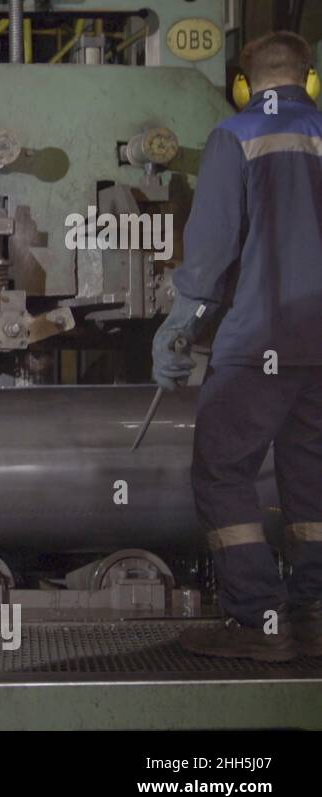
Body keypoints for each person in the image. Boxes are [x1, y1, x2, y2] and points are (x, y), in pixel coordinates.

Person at [151, 31, 322, 661]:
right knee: (313, 479)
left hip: (262, 341)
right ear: (311, 82)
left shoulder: (236, 136)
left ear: (244, 87)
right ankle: (315, 615)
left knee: (223, 469)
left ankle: (259, 622)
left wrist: (179, 328)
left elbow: (214, 254)